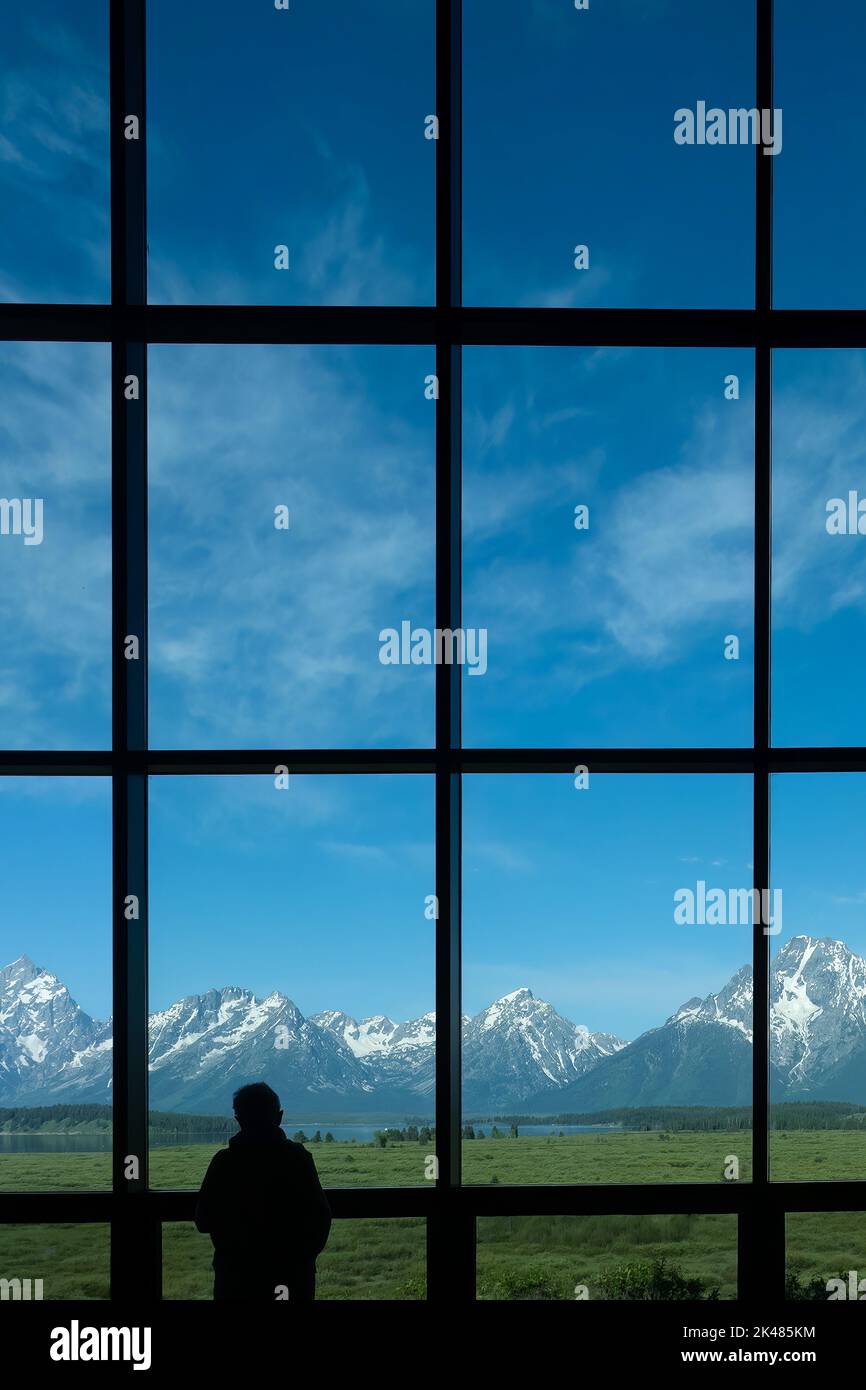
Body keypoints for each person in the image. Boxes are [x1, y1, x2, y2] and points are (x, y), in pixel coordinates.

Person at [195, 1082, 332, 1301]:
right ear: (279, 1117)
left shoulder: (224, 1162)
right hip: (292, 1275)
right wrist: (303, 1258)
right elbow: (320, 1215)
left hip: (236, 1276)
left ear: (239, 1119)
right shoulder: (297, 1159)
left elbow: (203, 1220)